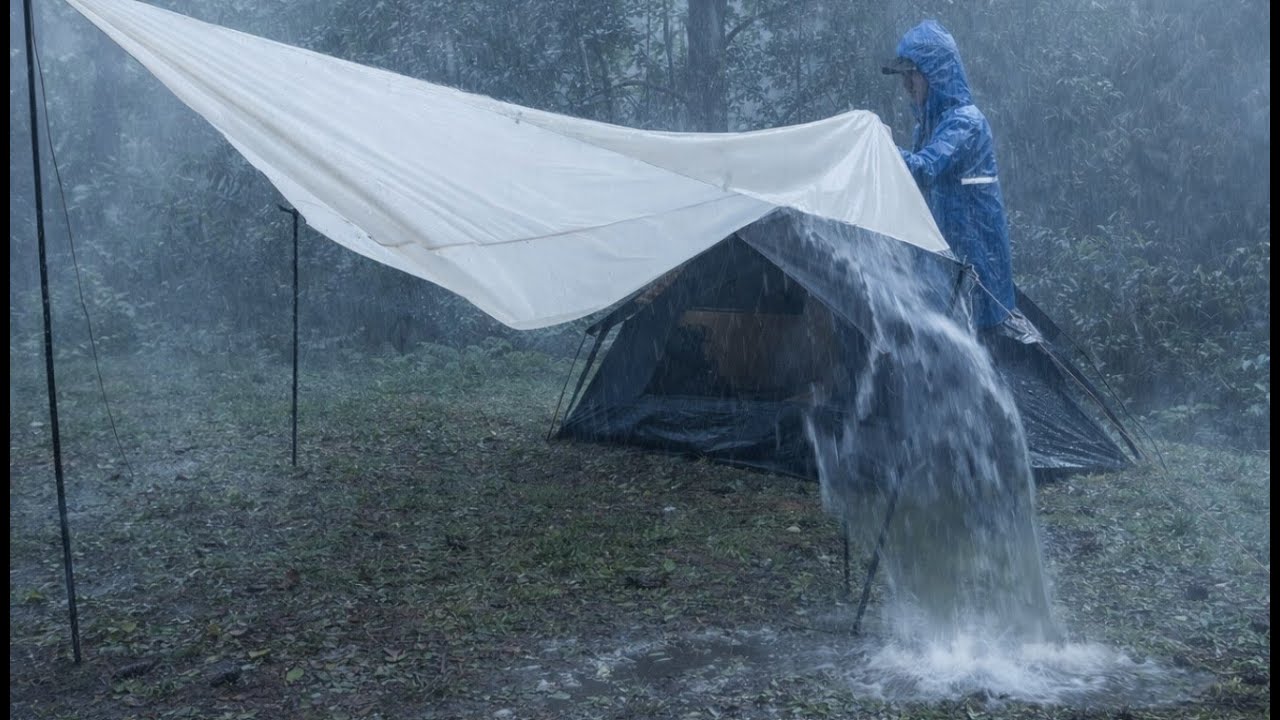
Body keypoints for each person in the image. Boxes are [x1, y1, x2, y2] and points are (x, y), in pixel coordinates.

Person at [883, 20, 1015, 328]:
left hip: (974, 264)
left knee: (977, 332)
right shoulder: (927, 128)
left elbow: (924, 169)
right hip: (945, 262)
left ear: (936, 74)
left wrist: (881, 146)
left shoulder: (965, 123)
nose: (906, 85)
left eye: (912, 74)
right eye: (903, 76)